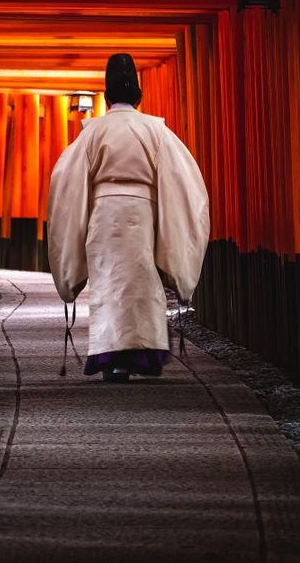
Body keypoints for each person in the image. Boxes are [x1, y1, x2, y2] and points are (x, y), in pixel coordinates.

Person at [47, 53, 210, 382]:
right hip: (143, 214)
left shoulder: (92, 132)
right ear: (139, 95)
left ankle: (110, 358)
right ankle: (141, 355)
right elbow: (185, 180)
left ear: (106, 97)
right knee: (143, 280)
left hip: (103, 215)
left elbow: (66, 181)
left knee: (107, 282)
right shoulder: (156, 130)